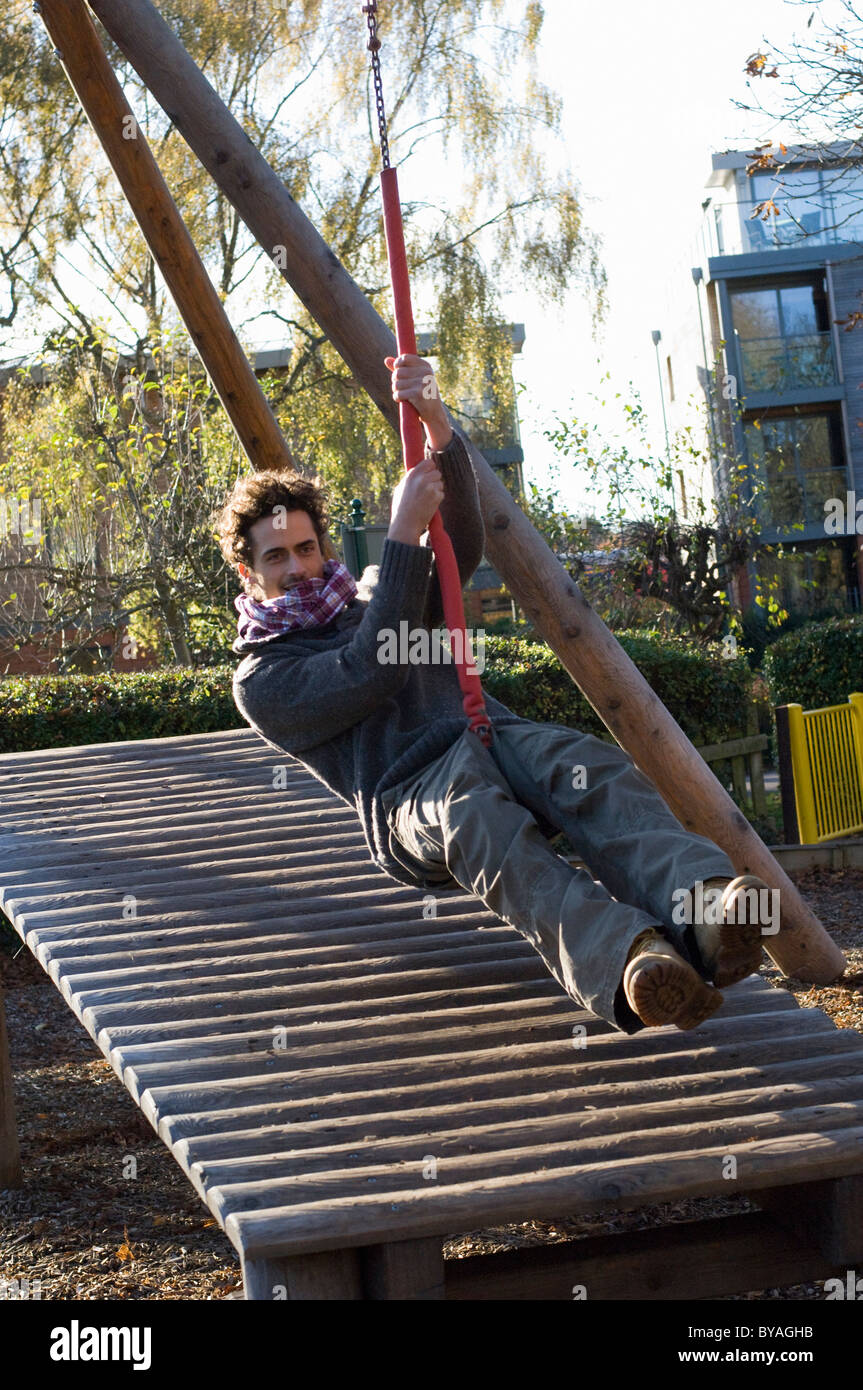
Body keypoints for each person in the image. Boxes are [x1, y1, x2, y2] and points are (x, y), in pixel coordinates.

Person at [217, 352, 769, 1037]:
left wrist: (439, 426)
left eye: (305, 548)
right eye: (277, 556)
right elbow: (371, 670)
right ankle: (631, 962)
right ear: (248, 571)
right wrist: (398, 534)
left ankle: (708, 917)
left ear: (321, 546)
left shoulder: (371, 594)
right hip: (410, 796)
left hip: (488, 738)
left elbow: (461, 551)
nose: (298, 568)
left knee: (588, 767)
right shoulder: (263, 677)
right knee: (477, 819)